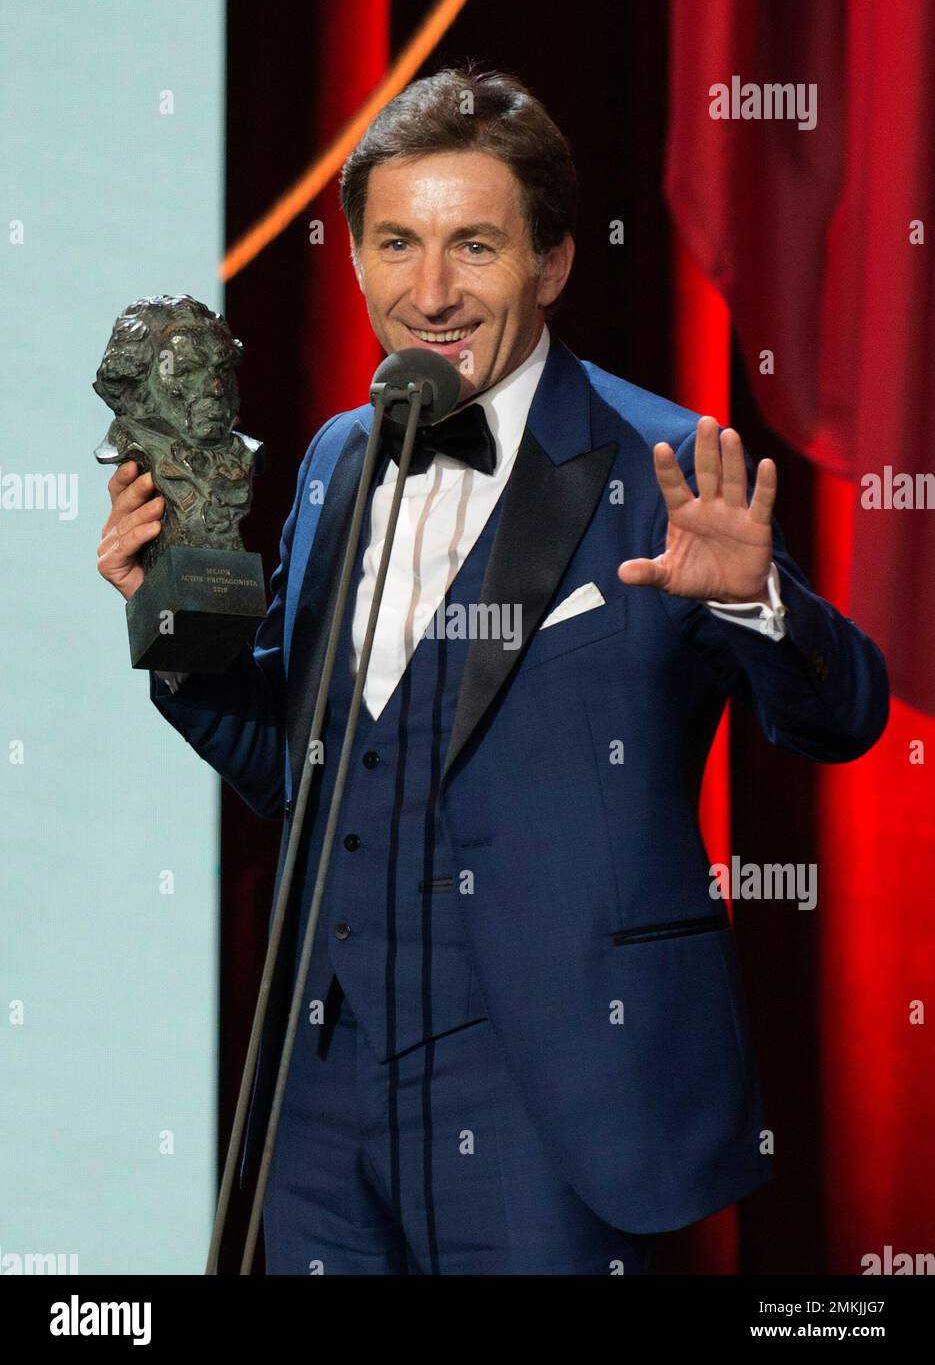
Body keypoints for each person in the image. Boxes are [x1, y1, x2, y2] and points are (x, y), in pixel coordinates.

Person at [97, 68, 889, 1275]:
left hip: (552, 1094)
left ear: (553, 262)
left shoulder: (668, 461)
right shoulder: (334, 458)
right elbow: (294, 769)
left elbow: (842, 717)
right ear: (356, 257)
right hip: (318, 1097)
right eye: (395, 243)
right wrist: (171, 627)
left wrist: (750, 597)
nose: (429, 292)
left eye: (474, 245)